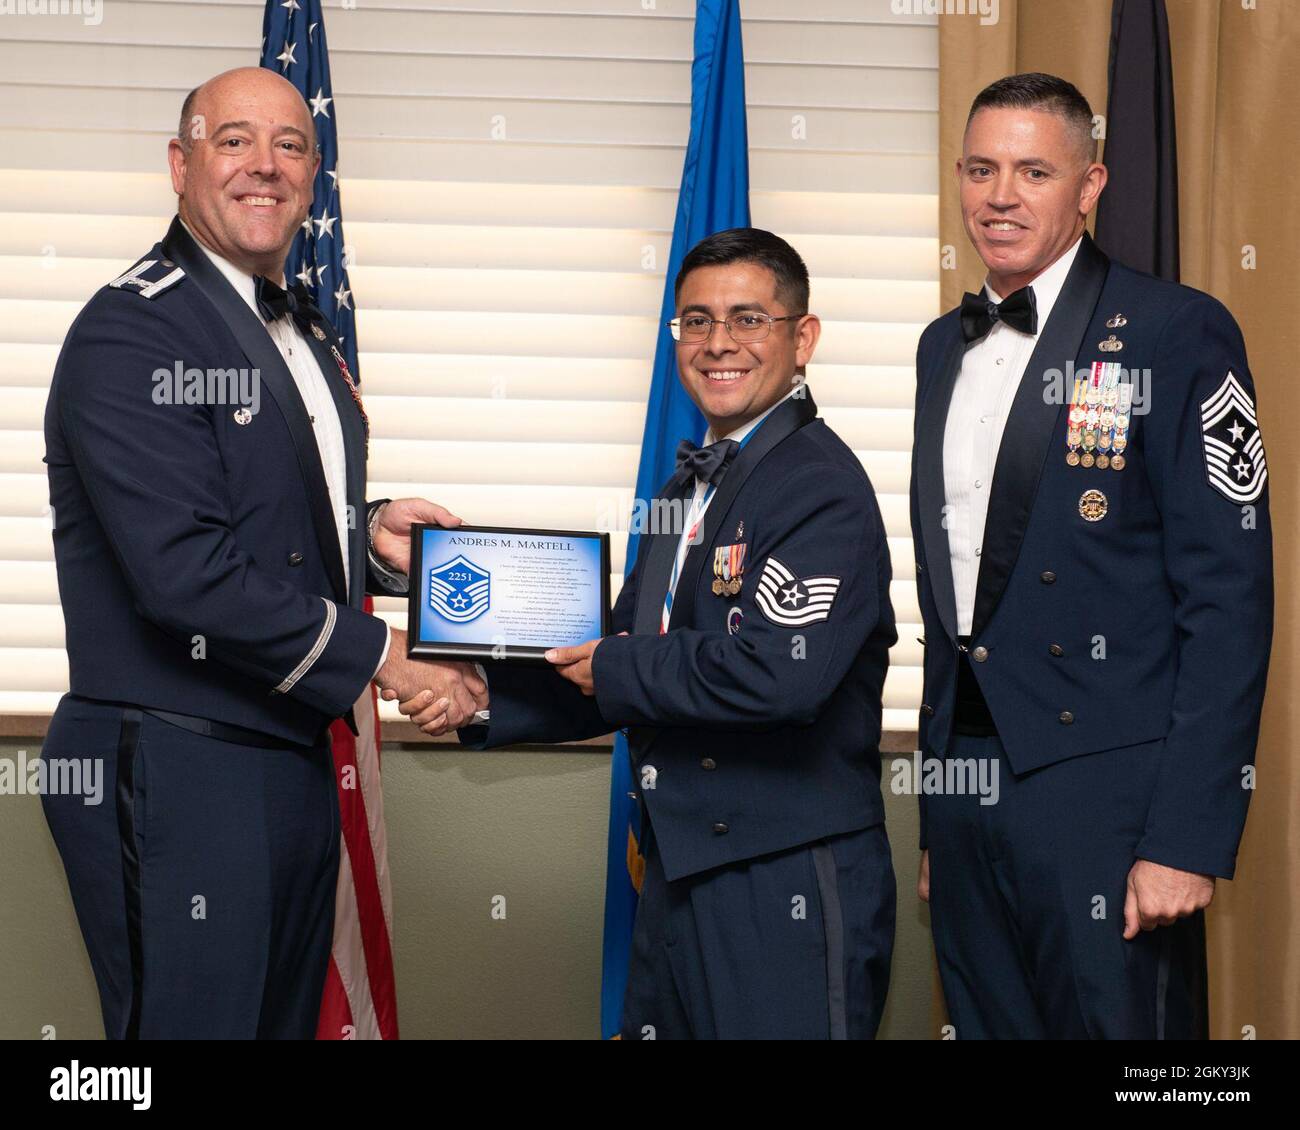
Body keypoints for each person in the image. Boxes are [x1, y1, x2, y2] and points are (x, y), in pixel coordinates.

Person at [41, 67, 484, 1039]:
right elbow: (182, 574)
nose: (264, 166)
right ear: (180, 163)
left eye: (290, 145)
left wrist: (366, 538)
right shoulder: (136, 327)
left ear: (314, 170)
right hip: (176, 754)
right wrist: (391, 658)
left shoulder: (295, 324)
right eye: (233, 139)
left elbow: (256, 514)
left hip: (281, 748)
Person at [402, 228, 898, 1039]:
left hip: (782, 878)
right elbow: (617, 657)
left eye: (747, 319)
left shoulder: (821, 488)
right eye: (695, 322)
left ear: (802, 338)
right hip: (678, 866)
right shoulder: (686, 486)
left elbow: (781, 674)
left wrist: (617, 662)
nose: (717, 344)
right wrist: (483, 698)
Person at [910, 72, 1273, 1039]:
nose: (1001, 196)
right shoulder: (939, 347)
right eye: (981, 169)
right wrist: (944, 808)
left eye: (1034, 170)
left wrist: (1186, 837)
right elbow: (951, 591)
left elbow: (1229, 600)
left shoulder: (1176, 330)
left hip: (1108, 797)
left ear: (1091, 185)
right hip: (969, 786)